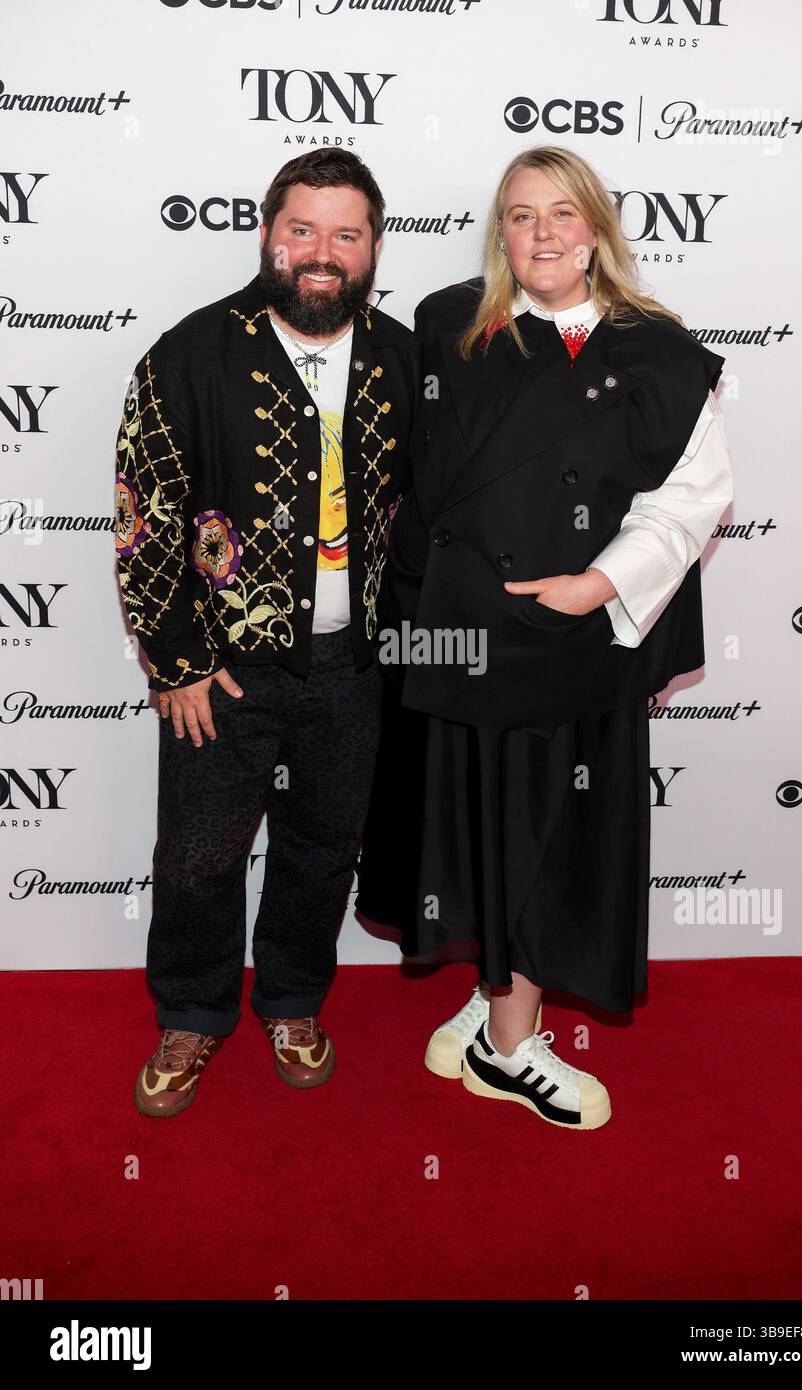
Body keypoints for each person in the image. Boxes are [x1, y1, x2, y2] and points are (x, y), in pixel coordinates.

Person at [355, 145, 733, 1130]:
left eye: (562, 213)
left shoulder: (654, 350)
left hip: (572, 634)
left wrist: (597, 584)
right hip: (453, 633)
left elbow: (692, 500)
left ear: (597, 227)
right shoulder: (450, 326)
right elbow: (397, 469)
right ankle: (500, 1017)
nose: (543, 234)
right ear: (499, 233)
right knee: (467, 822)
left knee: (545, 833)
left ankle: (505, 1035)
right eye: (521, 216)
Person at [114, 149, 415, 1116]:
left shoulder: (403, 360)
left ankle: (291, 1000)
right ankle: (194, 1015)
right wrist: (176, 662)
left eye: (345, 234)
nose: (321, 253)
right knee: (199, 851)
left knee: (323, 846)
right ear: (267, 235)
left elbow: (429, 517)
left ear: (372, 246)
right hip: (223, 669)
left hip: (354, 665)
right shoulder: (189, 353)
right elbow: (143, 516)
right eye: (303, 230)